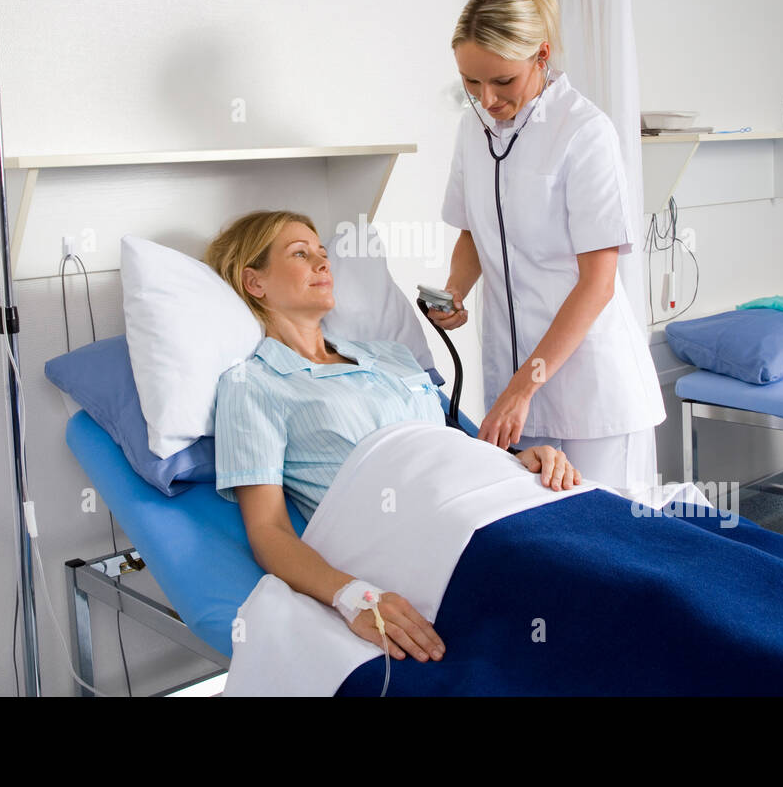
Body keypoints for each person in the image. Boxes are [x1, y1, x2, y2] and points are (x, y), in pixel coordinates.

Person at [205, 209, 583, 666]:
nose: (323, 264)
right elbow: (267, 529)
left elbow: (449, 447)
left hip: (511, 498)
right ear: (255, 283)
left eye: (323, 253)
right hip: (449, 539)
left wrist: (520, 459)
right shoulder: (255, 385)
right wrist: (352, 597)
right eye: (300, 254)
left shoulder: (391, 355)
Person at [432, 0, 664, 490]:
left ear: (541, 55)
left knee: (611, 549)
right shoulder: (473, 130)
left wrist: (524, 386)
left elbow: (598, 283)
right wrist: (453, 291)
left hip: (590, 393)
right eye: (471, 82)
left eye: (503, 82)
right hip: (515, 388)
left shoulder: (584, 132)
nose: (487, 99)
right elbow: (474, 230)